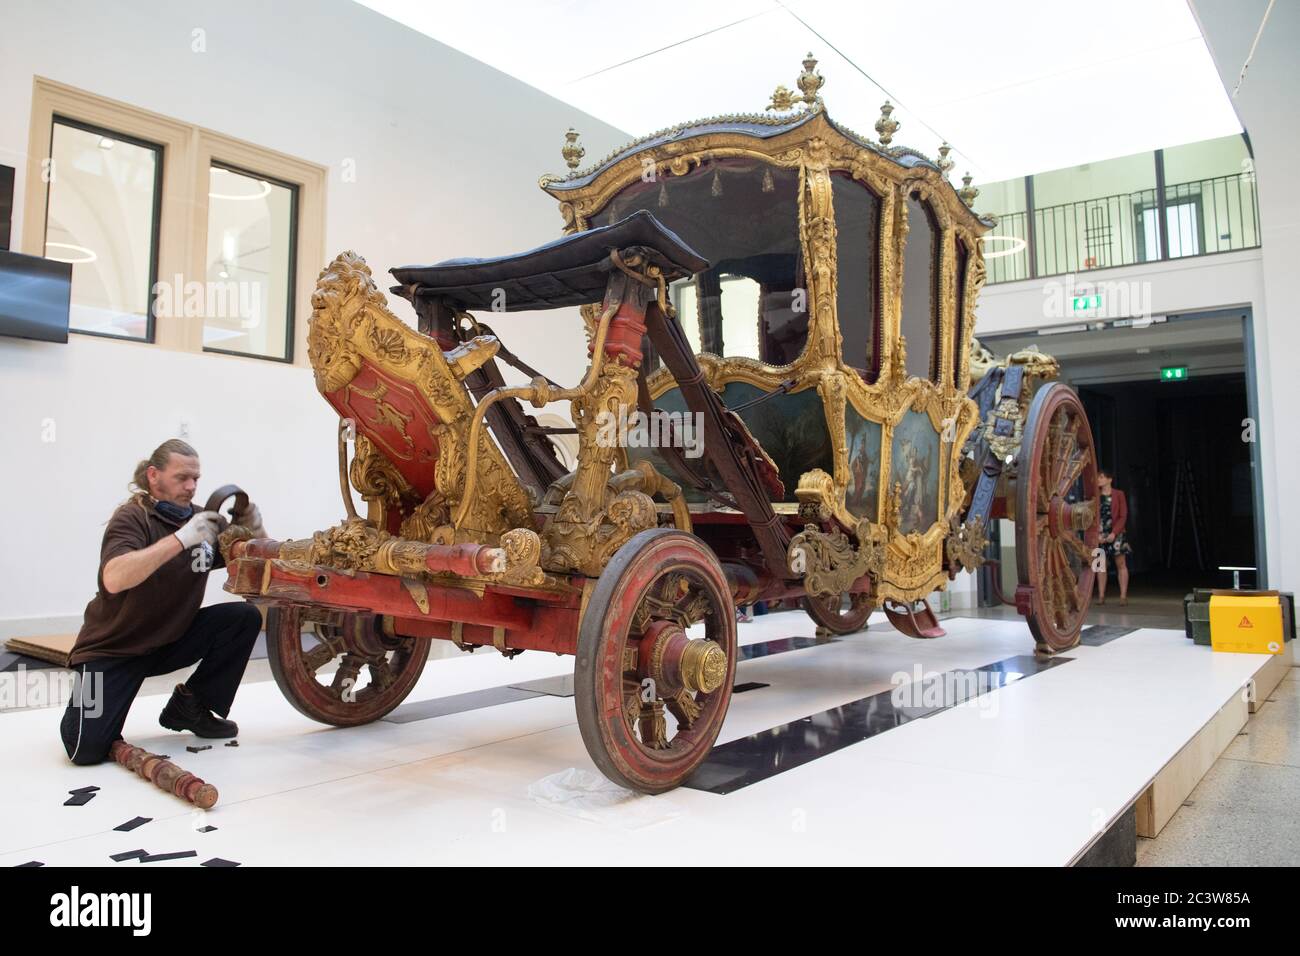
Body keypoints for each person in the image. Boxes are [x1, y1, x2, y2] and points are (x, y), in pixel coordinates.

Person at [60, 439, 266, 765]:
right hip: (112, 650)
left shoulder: (204, 523)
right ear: (154, 475)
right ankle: (88, 704)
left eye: (196, 479)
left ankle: (190, 707)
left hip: (169, 640)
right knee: (84, 750)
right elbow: (114, 577)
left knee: (243, 617)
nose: (191, 486)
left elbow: (256, 561)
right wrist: (181, 539)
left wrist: (253, 526)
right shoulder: (132, 518)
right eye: (181, 477)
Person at [1095, 468, 1131, 606]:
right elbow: (1091, 516)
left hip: (1116, 533)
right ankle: (1101, 596)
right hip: (1099, 534)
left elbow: (1123, 516)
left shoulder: (1119, 494)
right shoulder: (1095, 496)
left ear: (1110, 479)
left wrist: (1114, 533)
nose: (1099, 479)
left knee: (1121, 564)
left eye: (1102, 477)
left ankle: (1123, 596)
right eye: (1098, 477)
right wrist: (1096, 534)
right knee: (1100, 566)